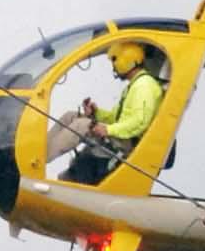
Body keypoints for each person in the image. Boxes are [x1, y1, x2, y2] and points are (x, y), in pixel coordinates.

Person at [57, 41, 164, 182]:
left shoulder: (144, 86)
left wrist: (108, 130)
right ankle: (38, 151)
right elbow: (116, 118)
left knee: (81, 125)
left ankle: (36, 160)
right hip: (122, 136)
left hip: (129, 143)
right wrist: (96, 113)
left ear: (127, 60)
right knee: (71, 116)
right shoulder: (134, 85)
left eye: (115, 60)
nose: (113, 66)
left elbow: (139, 122)